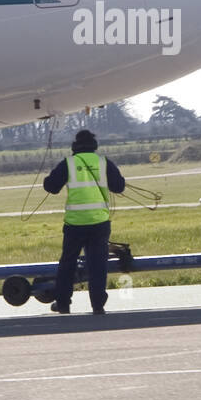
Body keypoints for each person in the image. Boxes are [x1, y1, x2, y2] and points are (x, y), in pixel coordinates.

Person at [43, 130, 126, 314]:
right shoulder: (104, 163)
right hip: (99, 223)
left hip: (75, 224)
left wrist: (48, 179)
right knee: (98, 264)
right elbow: (119, 186)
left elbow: (51, 186)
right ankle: (98, 305)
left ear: (75, 146)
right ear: (94, 146)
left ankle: (63, 303)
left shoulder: (69, 164)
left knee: (68, 263)